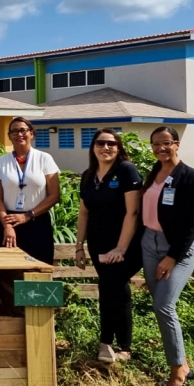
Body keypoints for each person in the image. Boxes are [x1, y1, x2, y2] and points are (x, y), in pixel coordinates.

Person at [141, 126, 194, 386]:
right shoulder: (153, 174)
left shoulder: (190, 177)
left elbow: (193, 223)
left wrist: (173, 256)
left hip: (177, 248)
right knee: (160, 306)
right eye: (156, 144)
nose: (160, 149)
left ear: (176, 144)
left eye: (166, 143)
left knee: (164, 307)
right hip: (149, 244)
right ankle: (183, 364)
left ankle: (177, 372)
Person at [76, 128, 143, 364]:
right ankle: (125, 346)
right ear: (93, 147)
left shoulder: (126, 170)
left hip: (127, 245)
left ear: (118, 147)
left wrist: (121, 248)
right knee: (118, 289)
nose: (106, 148)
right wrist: (79, 246)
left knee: (108, 287)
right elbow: (84, 212)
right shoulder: (87, 175)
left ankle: (105, 342)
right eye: (101, 143)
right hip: (98, 245)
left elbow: (133, 212)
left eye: (111, 144)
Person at [0, 117, 60, 264]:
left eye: (23, 130)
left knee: (39, 269)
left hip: (37, 220)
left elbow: (54, 195)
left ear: (32, 133)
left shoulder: (44, 159)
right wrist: (7, 226)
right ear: (9, 136)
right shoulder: (1, 162)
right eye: (14, 131)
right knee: (8, 271)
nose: (19, 134)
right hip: (9, 222)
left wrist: (28, 216)